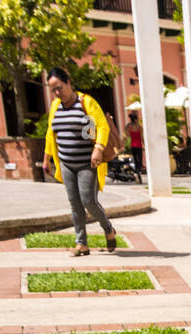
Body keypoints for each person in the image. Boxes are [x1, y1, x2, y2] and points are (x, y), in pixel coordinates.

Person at [42, 67, 118, 256]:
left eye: (59, 87)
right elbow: (51, 134)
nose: (57, 93)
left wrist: (98, 149)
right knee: (74, 203)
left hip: (87, 162)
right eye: (53, 90)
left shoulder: (85, 103)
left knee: (88, 201)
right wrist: (46, 158)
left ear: (68, 83)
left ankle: (108, 228)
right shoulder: (55, 106)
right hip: (66, 163)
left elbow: (99, 127)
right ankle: (81, 243)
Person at [127, 111, 143, 183]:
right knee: (139, 161)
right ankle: (138, 173)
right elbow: (142, 138)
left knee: (135, 161)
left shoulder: (130, 127)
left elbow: (127, 135)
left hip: (133, 146)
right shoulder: (139, 127)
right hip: (139, 146)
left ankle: (136, 173)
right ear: (136, 119)